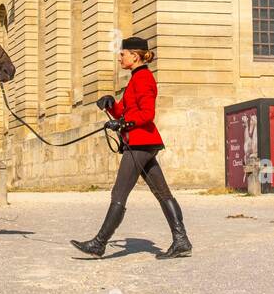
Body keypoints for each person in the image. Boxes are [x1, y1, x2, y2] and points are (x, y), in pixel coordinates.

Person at [70, 36, 192, 259]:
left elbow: (147, 114)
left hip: (140, 143)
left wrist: (123, 123)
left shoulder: (144, 78)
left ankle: (99, 243)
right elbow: (125, 111)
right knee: (162, 193)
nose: (119, 57)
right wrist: (111, 105)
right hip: (143, 143)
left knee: (119, 192)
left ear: (134, 56)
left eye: (123, 54)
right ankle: (181, 240)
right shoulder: (136, 78)